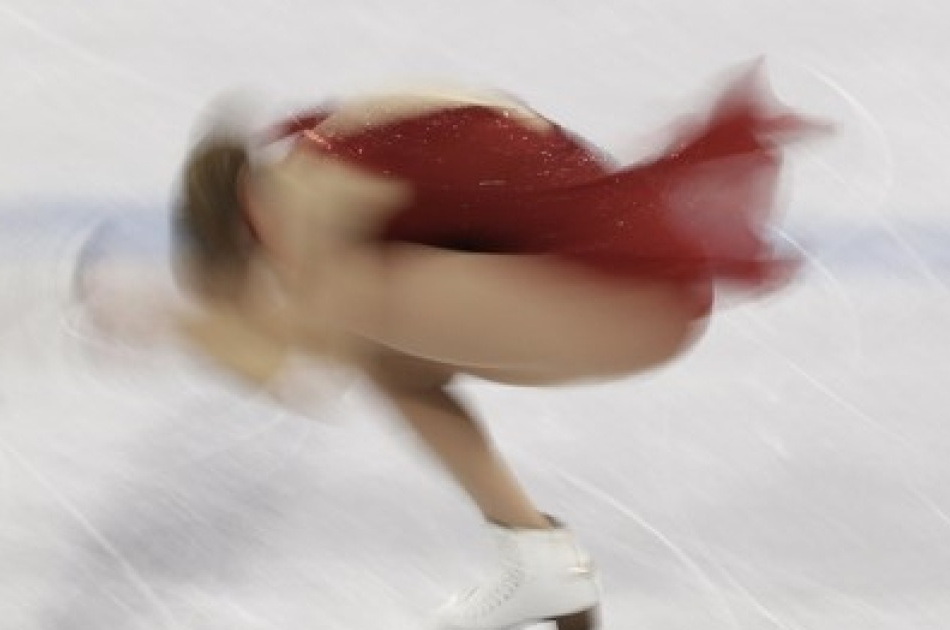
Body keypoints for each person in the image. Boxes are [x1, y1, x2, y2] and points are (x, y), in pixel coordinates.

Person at [103, 61, 824, 630]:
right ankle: (536, 555)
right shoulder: (327, 145)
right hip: (634, 293)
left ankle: (537, 558)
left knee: (353, 318)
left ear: (248, 216)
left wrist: (169, 326)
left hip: (630, 301)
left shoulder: (312, 193)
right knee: (384, 354)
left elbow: (291, 367)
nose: (276, 273)